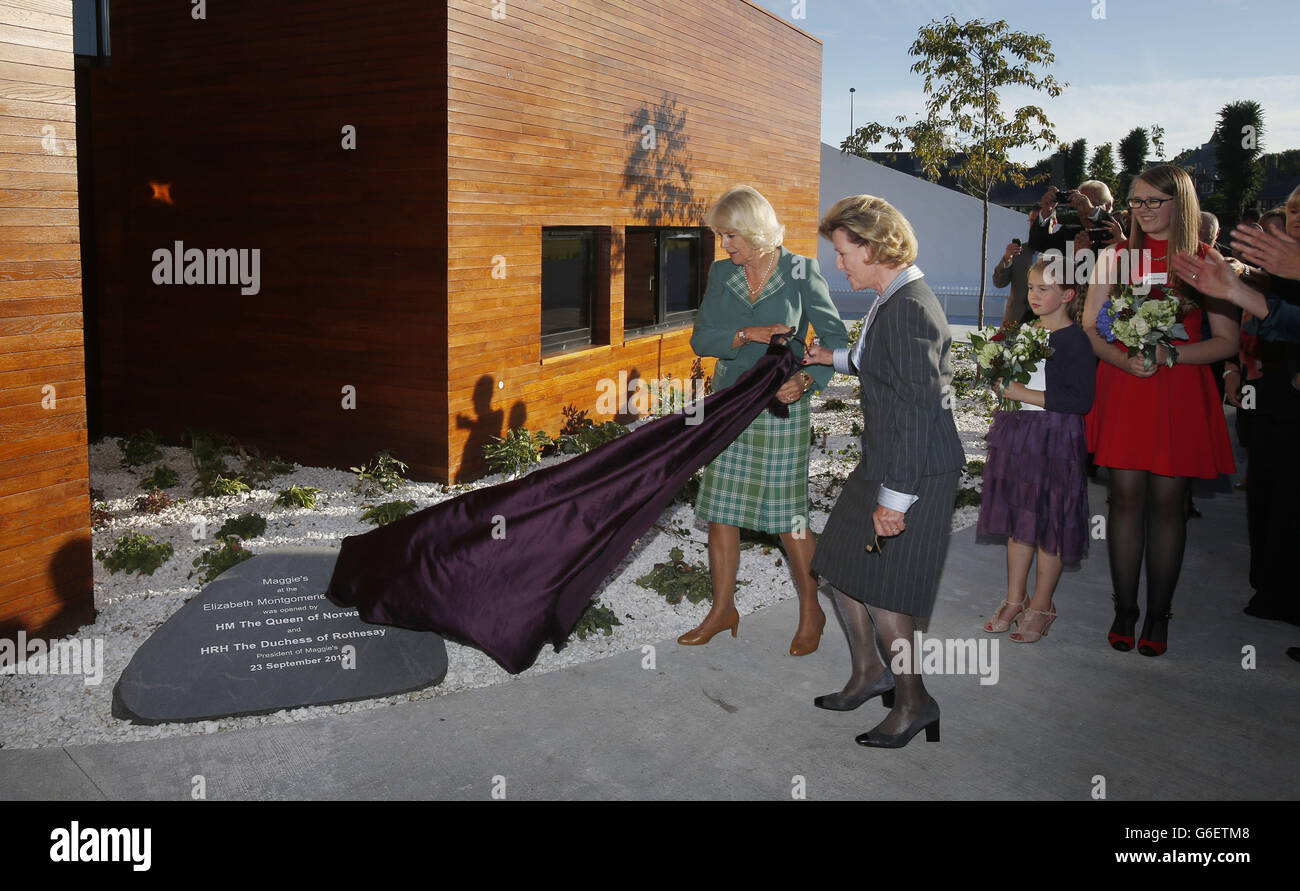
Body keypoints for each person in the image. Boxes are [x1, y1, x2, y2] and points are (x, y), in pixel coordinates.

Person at [802, 195, 964, 748]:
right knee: (837, 567)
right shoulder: (893, 296)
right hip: (887, 460)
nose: (838, 264)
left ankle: (915, 702)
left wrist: (895, 501)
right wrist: (831, 358)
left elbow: (918, 408)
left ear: (872, 248)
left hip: (913, 471)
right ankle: (872, 674)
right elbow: (887, 363)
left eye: (844, 253)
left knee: (886, 591)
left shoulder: (910, 306)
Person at [1081, 165, 1239, 657]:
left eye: (1155, 201)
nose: (1143, 210)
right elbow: (1089, 328)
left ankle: (1158, 615)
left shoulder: (1205, 262)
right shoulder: (1114, 257)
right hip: (1124, 385)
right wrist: (1124, 358)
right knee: (1123, 501)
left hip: (1180, 389)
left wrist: (1171, 354)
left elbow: (1226, 342)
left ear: (1182, 204)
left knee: (1169, 506)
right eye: (1137, 201)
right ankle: (1125, 609)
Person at [684, 185, 849, 655]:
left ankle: (811, 609)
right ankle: (722, 610)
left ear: (755, 232)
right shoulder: (721, 272)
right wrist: (745, 334)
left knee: (788, 516)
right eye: (721, 236)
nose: (724, 245)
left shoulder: (801, 270)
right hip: (730, 403)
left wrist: (807, 381)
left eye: (730, 235)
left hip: (781, 405)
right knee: (719, 510)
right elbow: (701, 338)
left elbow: (834, 340)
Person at [978, 258, 1096, 643]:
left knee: (1051, 523)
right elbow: (1007, 375)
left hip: (1055, 437)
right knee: (1020, 520)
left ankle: (1043, 603)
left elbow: (1080, 400)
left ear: (1068, 295)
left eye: (1044, 288)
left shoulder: (1075, 340)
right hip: (1018, 433)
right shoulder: (1023, 331)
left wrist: (1022, 393)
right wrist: (999, 378)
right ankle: (1015, 597)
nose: (1034, 295)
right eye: (1030, 287)